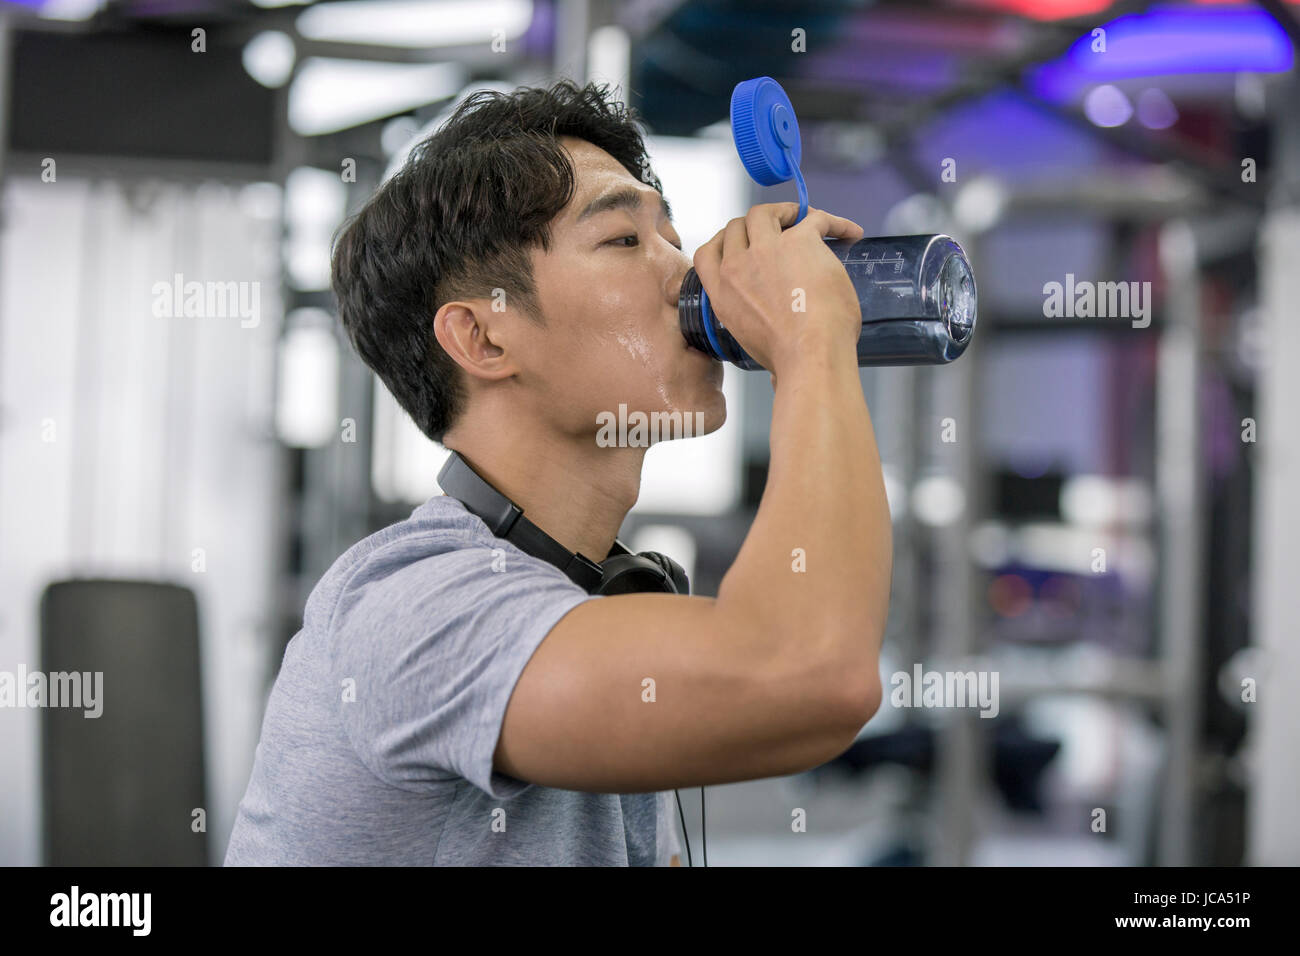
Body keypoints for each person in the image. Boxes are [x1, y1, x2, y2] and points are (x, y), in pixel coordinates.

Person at [224, 78, 891, 866]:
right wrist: (812, 343)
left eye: (672, 235)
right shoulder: (416, 606)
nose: (687, 272)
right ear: (482, 338)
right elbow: (808, 677)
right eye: (623, 241)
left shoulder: (590, 598)